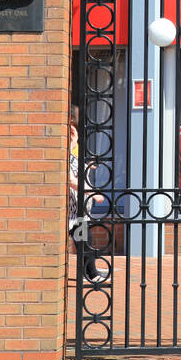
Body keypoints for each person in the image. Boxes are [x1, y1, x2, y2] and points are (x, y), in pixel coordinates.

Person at [68, 107, 108, 284]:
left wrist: (86, 165)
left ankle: (91, 272)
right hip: (71, 211)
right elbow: (70, 179)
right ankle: (92, 274)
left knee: (84, 240)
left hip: (77, 210)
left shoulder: (71, 151)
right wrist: (93, 193)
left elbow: (75, 168)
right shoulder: (65, 153)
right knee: (85, 240)